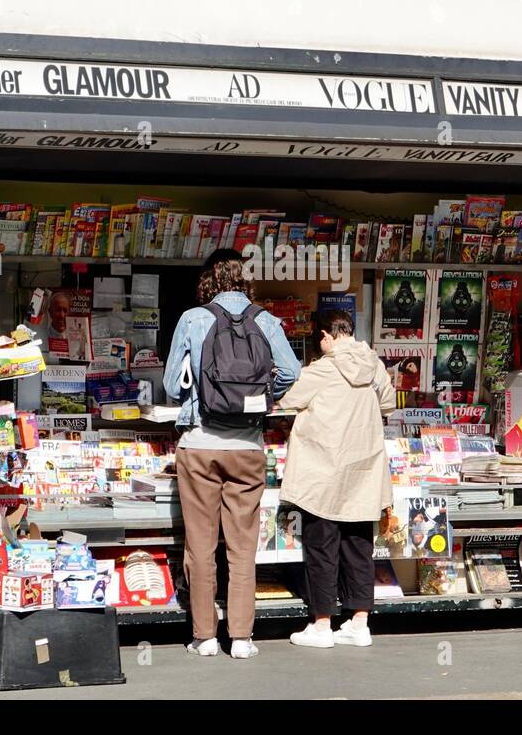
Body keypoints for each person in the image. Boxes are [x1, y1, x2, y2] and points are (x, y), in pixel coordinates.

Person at [163, 249, 300, 659]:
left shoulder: (193, 318)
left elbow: (171, 385)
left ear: (209, 282)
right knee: (242, 548)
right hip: (247, 448)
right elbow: (292, 372)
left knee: (200, 545)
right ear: (244, 281)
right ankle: (241, 638)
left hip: (200, 445)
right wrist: (260, 400)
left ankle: (204, 636)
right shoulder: (265, 320)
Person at [279, 309, 395, 648]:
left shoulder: (324, 368)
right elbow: (387, 403)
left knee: (321, 548)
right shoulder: (374, 365)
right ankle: (359, 623)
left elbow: (286, 399)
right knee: (359, 547)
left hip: (324, 473)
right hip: (363, 473)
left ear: (326, 336)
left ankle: (322, 624)